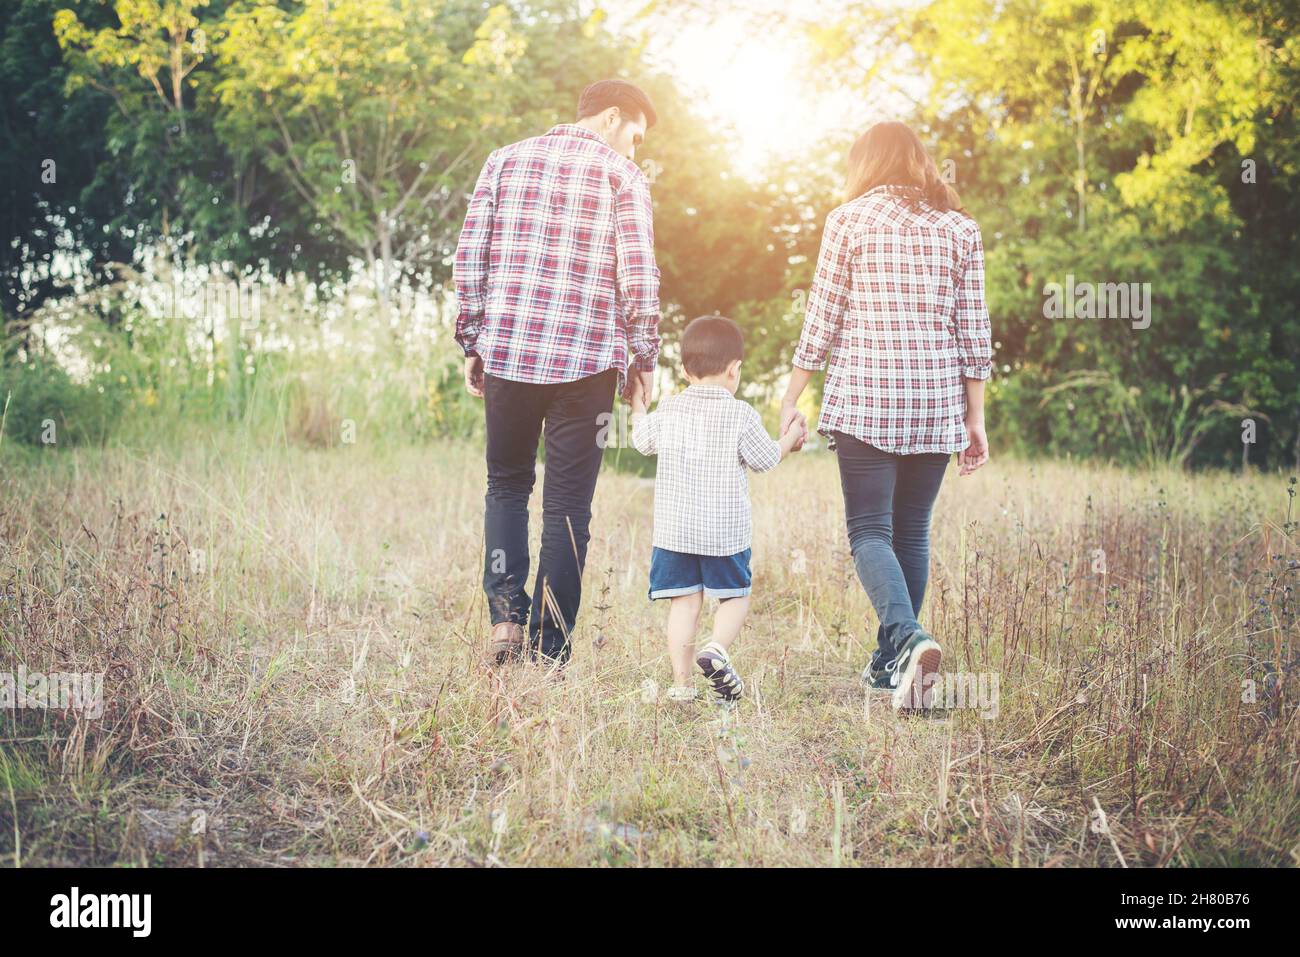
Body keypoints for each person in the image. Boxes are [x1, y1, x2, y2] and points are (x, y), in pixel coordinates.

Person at [781, 121, 992, 711]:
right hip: (935, 399)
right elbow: (974, 331)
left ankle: (906, 638)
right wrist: (976, 419)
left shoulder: (848, 220)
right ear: (920, 162)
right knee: (912, 532)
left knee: (870, 531)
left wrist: (791, 394)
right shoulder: (960, 228)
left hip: (867, 395)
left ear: (866, 165)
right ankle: (888, 668)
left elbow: (821, 318)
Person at [453, 79, 661, 667]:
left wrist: (473, 338)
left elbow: (472, 256)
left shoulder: (504, 161)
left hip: (510, 355)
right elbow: (639, 277)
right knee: (569, 505)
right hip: (588, 364)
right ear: (613, 118)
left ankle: (505, 619)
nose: (635, 151)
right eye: (636, 137)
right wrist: (641, 358)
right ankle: (550, 650)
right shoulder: (623, 178)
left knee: (507, 484)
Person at [631, 315, 805, 703]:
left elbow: (641, 440)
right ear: (734, 369)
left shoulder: (671, 409)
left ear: (685, 369)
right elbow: (764, 460)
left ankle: (681, 686)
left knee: (684, 603)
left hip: (674, 533)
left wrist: (637, 406)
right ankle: (717, 649)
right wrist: (790, 437)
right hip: (724, 532)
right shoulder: (741, 414)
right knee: (735, 596)